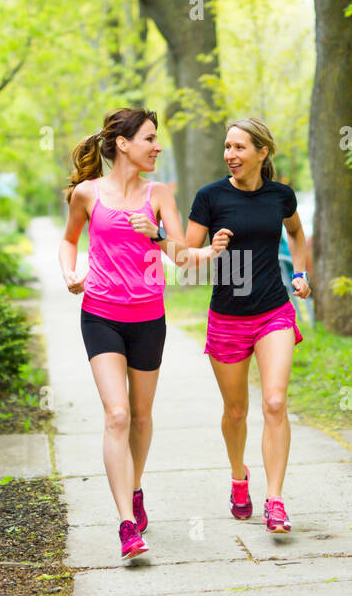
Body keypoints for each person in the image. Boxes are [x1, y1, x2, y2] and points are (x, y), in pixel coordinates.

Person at [58, 107, 230, 560]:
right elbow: (69, 239)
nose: (157, 147)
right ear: (123, 144)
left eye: (157, 139)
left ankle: (134, 486)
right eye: (150, 139)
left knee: (140, 416)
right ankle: (126, 525)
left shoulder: (159, 194)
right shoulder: (87, 194)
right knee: (116, 414)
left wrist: (166, 238)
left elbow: (184, 258)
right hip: (100, 315)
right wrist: (69, 273)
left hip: (148, 319)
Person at [183, 117, 310, 533]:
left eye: (239, 147)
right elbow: (184, 257)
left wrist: (300, 274)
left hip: (274, 310)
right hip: (227, 316)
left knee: (275, 402)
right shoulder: (210, 197)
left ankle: (275, 499)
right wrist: (210, 248)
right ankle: (239, 475)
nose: (230, 155)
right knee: (236, 411)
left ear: (262, 152)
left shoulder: (281, 196)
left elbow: (295, 233)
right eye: (227, 147)